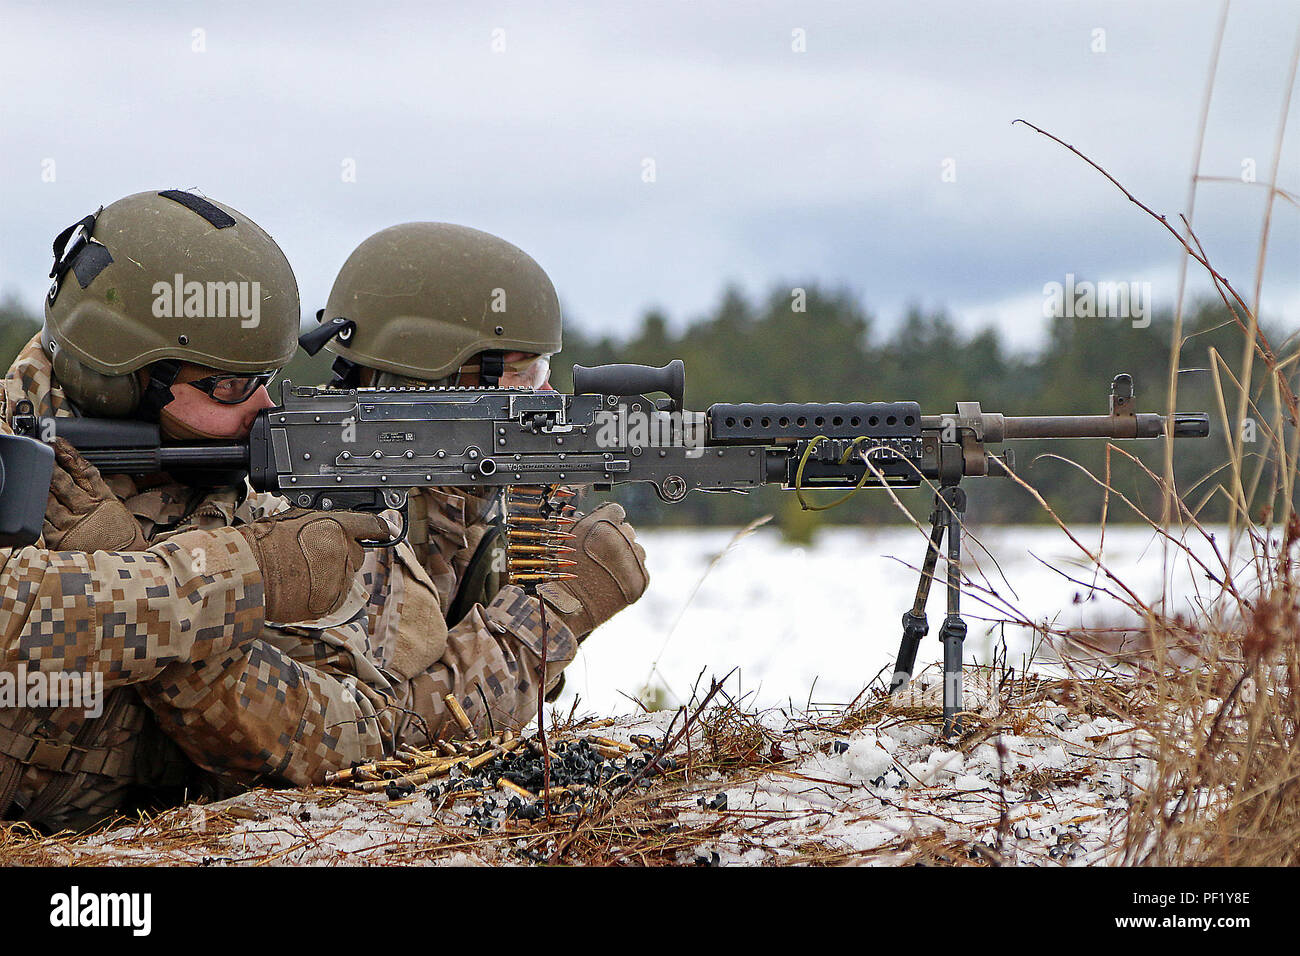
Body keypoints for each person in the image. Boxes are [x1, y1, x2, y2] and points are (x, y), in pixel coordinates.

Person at [0, 191, 425, 831]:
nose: (264, 410)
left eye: (265, 378)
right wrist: (238, 579)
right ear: (119, 378)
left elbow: (359, 738)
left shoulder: (256, 496)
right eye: (229, 386)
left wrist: (187, 651)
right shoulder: (13, 458)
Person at [316, 221, 650, 733]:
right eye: (521, 375)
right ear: (426, 380)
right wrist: (555, 611)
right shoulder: (347, 526)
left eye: (541, 374)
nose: (544, 399)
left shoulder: (448, 512)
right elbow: (385, 731)